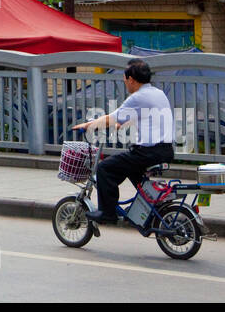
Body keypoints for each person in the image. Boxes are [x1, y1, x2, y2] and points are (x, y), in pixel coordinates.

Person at [72, 59, 176, 224]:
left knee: (105, 169)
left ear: (132, 80)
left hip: (148, 152)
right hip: (165, 150)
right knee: (130, 169)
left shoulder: (138, 97)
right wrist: (123, 123)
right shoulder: (157, 93)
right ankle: (145, 207)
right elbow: (145, 116)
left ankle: (107, 213)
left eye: (125, 80)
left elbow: (111, 118)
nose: (126, 83)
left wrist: (87, 125)